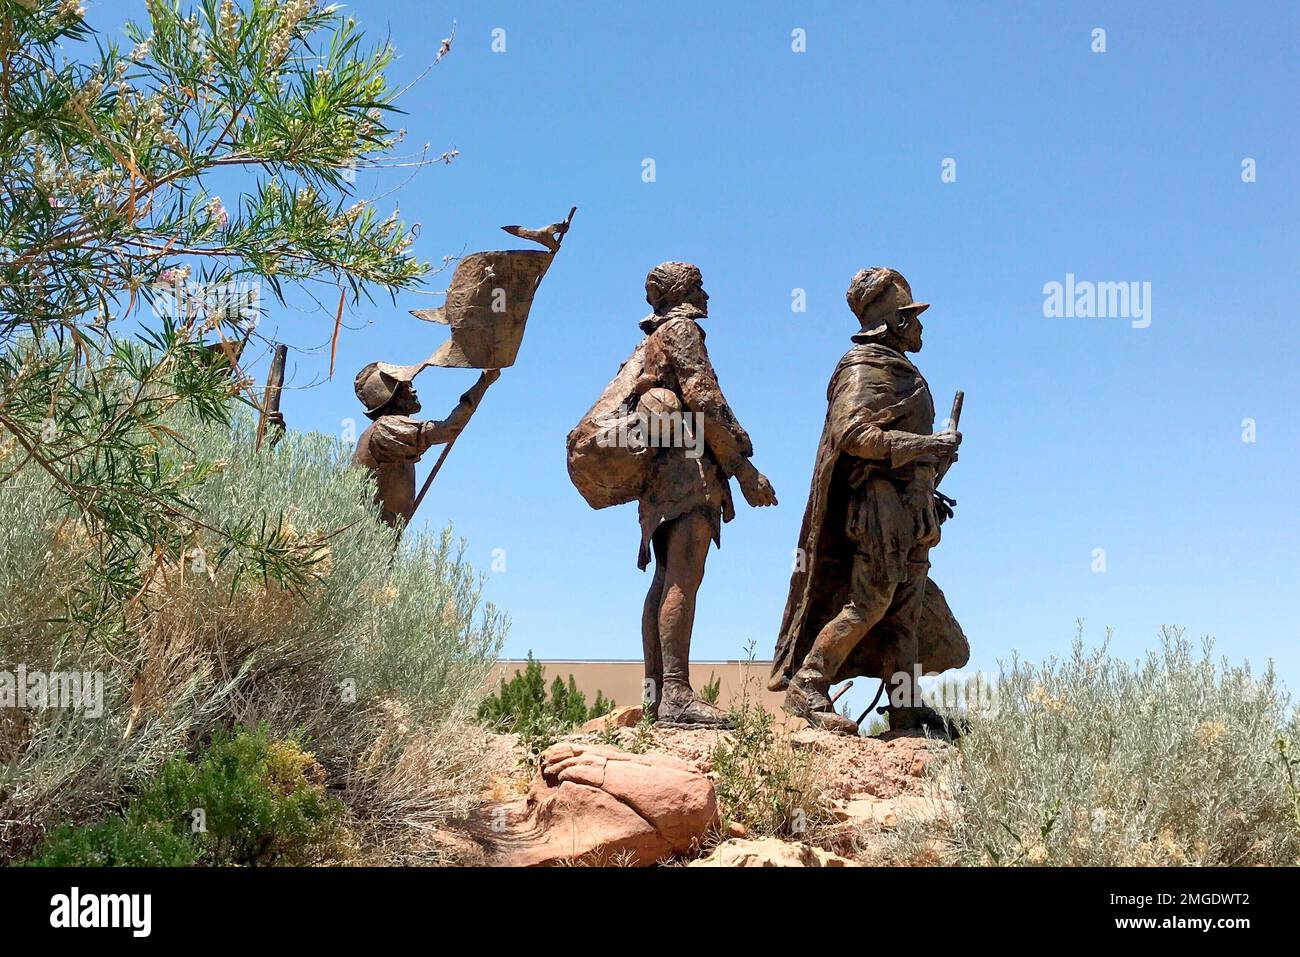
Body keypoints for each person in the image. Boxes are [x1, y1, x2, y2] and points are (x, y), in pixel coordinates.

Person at [770, 267, 962, 735]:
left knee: (904, 613)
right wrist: (929, 447)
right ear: (896, 323)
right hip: (877, 506)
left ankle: (905, 708)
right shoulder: (862, 369)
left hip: (914, 509)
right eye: (913, 316)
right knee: (870, 603)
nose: (921, 325)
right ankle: (809, 683)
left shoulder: (900, 371)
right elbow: (854, 435)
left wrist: (933, 468)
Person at [631, 261, 777, 727]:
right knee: (682, 577)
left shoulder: (651, 340)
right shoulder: (681, 330)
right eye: (699, 286)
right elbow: (705, 400)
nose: (707, 294)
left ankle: (659, 693)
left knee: (666, 578)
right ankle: (675, 692)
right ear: (682, 293)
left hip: (660, 475)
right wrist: (742, 467)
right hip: (688, 472)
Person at [351, 359, 498, 528]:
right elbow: (449, 429)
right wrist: (483, 383)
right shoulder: (387, 428)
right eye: (405, 388)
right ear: (391, 398)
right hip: (367, 538)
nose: (413, 390)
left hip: (377, 540)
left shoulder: (389, 432)